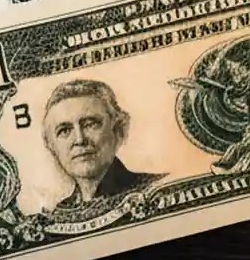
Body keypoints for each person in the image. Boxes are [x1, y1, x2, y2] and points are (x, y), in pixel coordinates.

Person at [41, 79, 161, 207]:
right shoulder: (60, 213)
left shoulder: (156, 190)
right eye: (64, 131)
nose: (79, 140)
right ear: (51, 146)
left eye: (90, 125)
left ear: (117, 131)